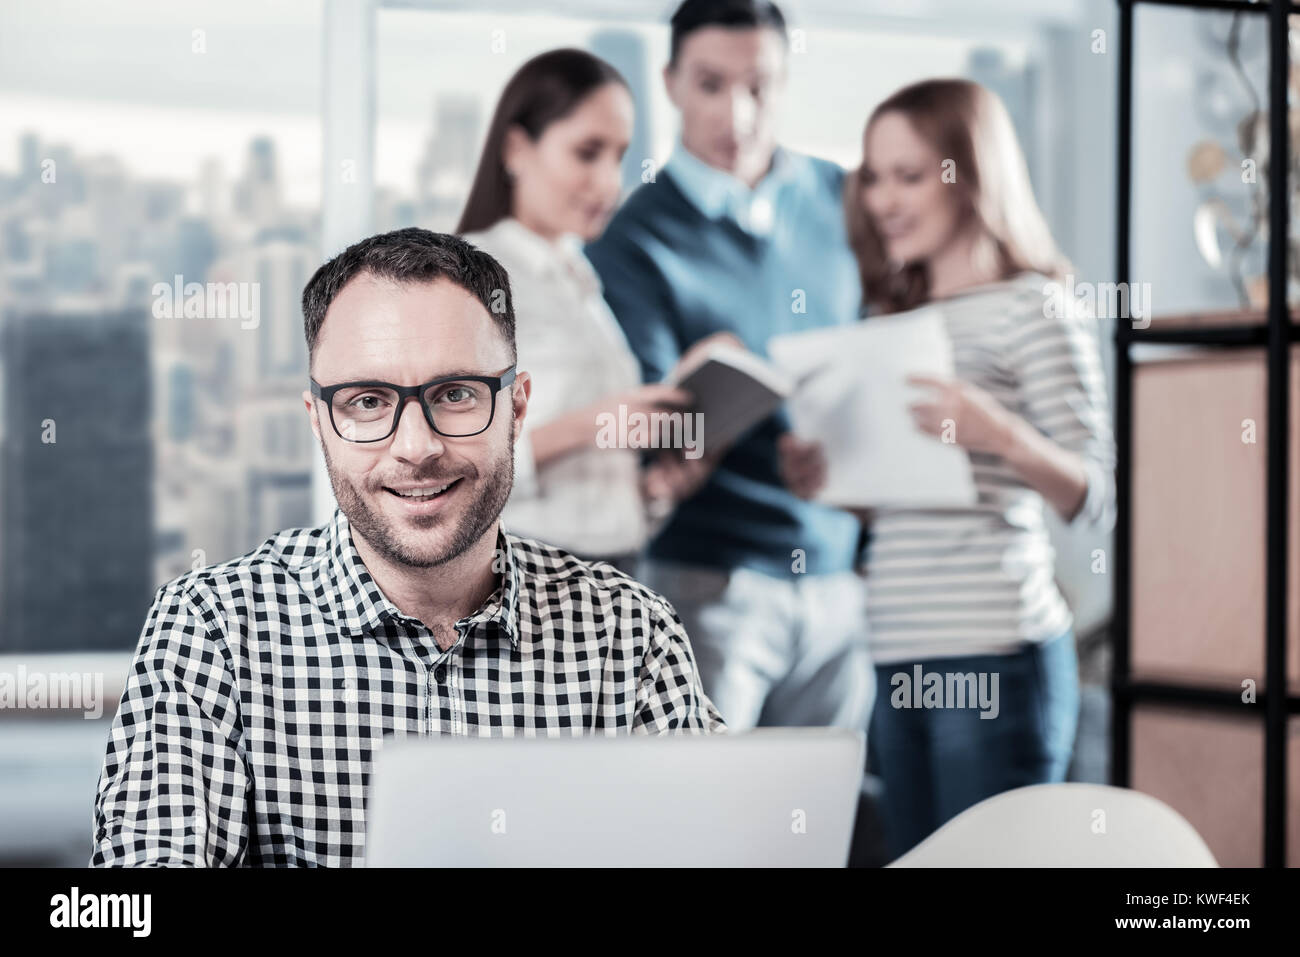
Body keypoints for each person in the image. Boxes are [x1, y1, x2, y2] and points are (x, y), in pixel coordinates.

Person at [91, 228, 724, 867]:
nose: (416, 447)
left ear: (517, 406)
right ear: (319, 423)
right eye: (368, 402)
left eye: (455, 394)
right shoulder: (211, 630)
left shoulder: (630, 631)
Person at [780, 78, 1116, 859]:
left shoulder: (1033, 308)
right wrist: (829, 481)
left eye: (910, 175)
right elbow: (906, 502)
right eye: (872, 177)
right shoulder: (887, 321)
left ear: (972, 174)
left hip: (996, 654)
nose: (883, 199)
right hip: (894, 651)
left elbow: (1097, 493)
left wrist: (996, 431)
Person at [585, 0, 874, 733]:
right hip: (712, 583)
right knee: (710, 830)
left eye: (759, 87)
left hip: (841, 576)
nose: (738, 115)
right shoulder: (633, 238)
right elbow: (648, 421)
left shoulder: (840, 199)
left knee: (823, 822)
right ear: (672, 81)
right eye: (711, 85)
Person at [459, 49, 714, 569]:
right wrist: (592, 426)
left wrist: (654, 491)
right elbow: (450, 463)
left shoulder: (580, 277)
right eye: (587, 153)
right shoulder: (471, 274)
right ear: (516, 148)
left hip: (615, 566)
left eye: (619, 156)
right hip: (525, 570)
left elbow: (589, 490)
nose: (609, 184)